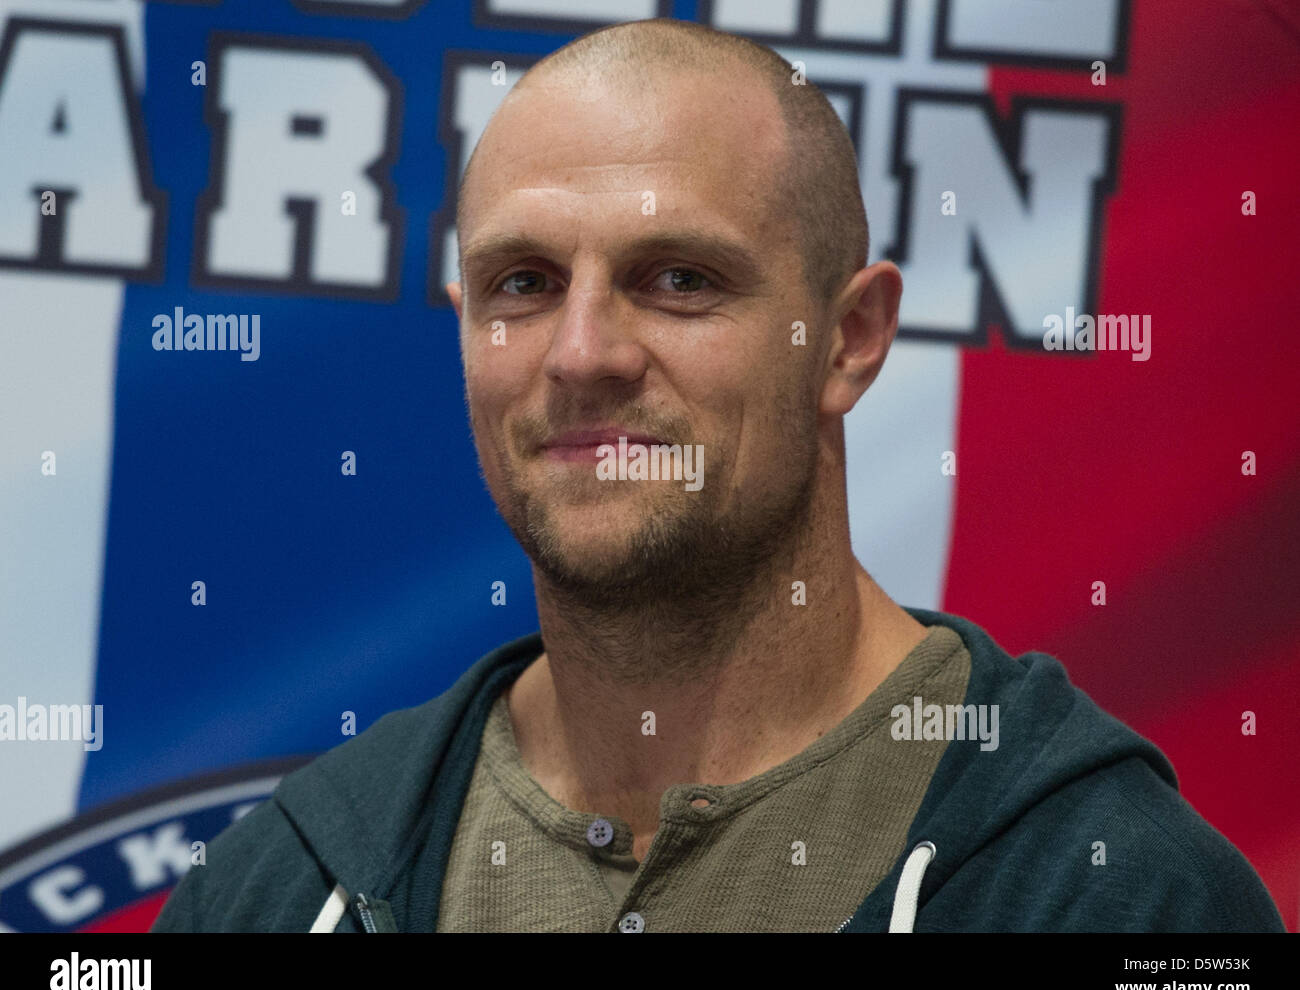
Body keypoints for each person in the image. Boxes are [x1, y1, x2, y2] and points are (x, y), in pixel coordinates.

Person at [151, 18, 1283, 933]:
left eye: (679, 278)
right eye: (523, 282)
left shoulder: (1117, 897)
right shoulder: (282, 886)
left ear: (849, 338)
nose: (583, 351)